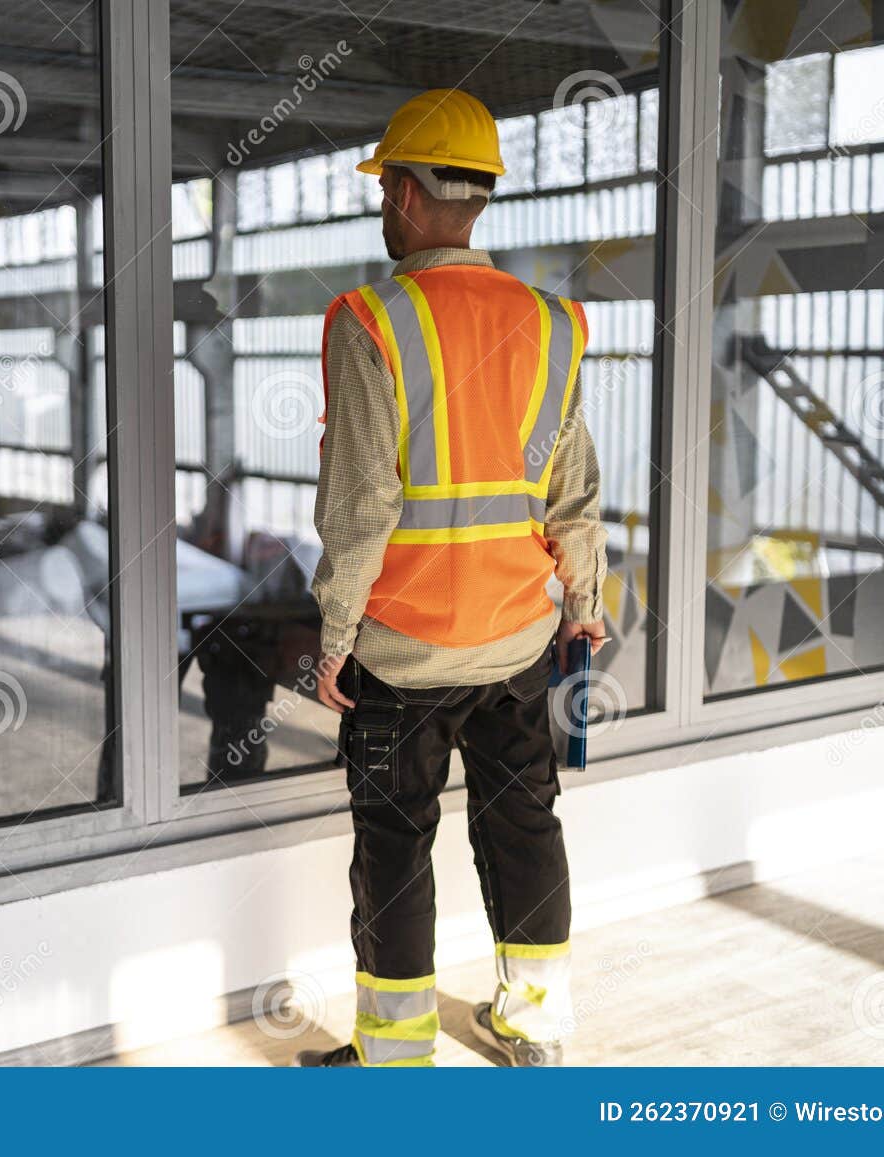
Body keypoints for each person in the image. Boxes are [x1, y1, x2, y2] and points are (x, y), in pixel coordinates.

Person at [295, 89, 607, 1068]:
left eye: (387, 187)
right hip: (517, 640)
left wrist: (333, 636)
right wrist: (584, 609)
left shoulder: (369, 319)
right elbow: (574, 493)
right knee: (524, 822)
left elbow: (359, 504)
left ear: (409, 193)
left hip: (403, 651)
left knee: (394, 846)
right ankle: (534, 1023)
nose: (382, 206)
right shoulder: (552, 322)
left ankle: (394, 1063)